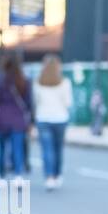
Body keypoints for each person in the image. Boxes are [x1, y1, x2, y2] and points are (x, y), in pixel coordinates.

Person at [33, 55, 73, 188]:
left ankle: (49, 176)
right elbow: (68, 102)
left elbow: (36, 101)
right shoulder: (65, 82)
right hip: (60, 118)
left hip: (43, 118)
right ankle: (57, 174)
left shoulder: (38, 83)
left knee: (46, 149)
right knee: (58, 148)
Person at [0, 53, 32, 178]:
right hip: (18, 119)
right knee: (17, 149)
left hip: (2, 118)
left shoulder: (0, 80)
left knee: (2, 148)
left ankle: (0, 174)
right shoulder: (24, 81)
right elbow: (28, 102)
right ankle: (17, 175)